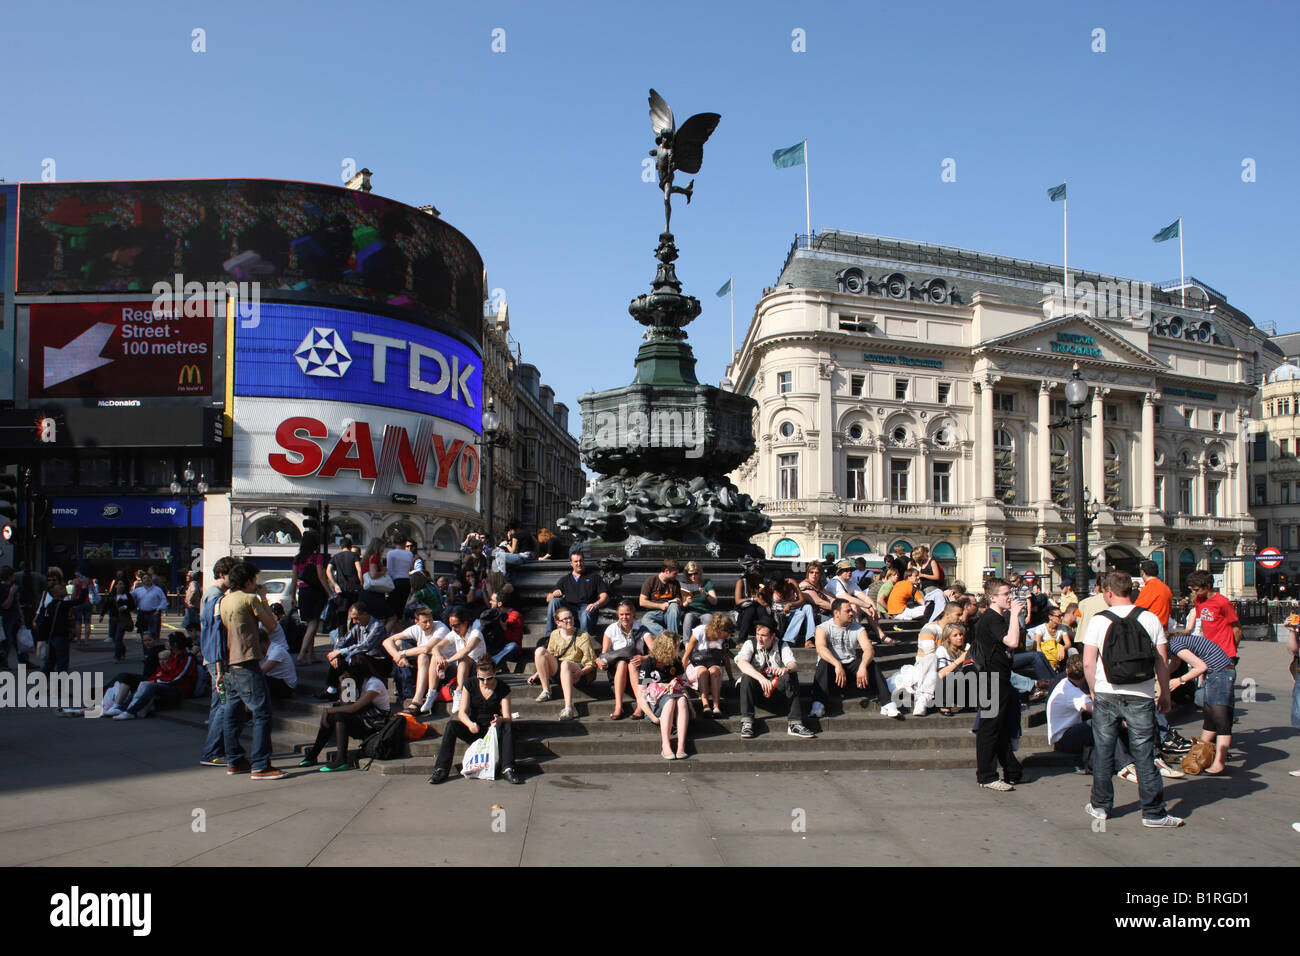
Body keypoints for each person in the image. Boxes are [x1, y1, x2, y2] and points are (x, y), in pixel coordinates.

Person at [1082, 572, 1183, 828]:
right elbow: (1161, 662)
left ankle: (1100, 806)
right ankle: (1153, 813)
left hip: (1107, 692)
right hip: (1141, 694)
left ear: (1108, 593)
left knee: (1104, 751)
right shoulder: (1149, 618)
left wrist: (1094, 690)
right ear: (1133, 592)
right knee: (1144, 753)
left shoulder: (1099, 621)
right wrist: (1165, 694)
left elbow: (1087, 662)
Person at [219, 562, 284, 780]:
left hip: (230, 661)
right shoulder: (250, 599)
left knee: (233, 712)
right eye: (255, 580)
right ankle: (260, 765)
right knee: (262, 712)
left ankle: (235, 760)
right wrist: (263, 598)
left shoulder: (225, 600)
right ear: (248, 581)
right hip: (247, 660)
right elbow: (272, 625)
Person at [428, 656, 523, 784]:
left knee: (508, 726)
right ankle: (441, 769)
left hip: (493, 731)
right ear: (477, 674)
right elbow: (462, 712)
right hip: (475, 728)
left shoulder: (503, 688)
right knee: (451, 725)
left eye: (489, 678)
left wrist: (499, 720)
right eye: (481, 678)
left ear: (495, 673)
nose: (485, 682)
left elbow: (507, 717)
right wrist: (469, 724)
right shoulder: (470, 684)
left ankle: (508, 768)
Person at [972, 578, 1025, 792]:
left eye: (1010, 592)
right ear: (992, 597)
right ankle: (986, 775)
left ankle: (1012, 771)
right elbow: (1012, 642)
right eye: (1005, 594)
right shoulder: (992, 618)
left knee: (1000, 726)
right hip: (991, 678)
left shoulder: (998, 617)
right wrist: (1014, 615)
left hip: (1000, 676)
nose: (1010, 597)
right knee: (990, 727)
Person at [810, 598, 899, 719]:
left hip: (851, 668)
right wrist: (837, 664)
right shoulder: (822, 628)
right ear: (836, 613)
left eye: (851, 610)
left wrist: (862, 666)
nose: (852, 613)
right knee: (823, 663)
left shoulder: (858, 629)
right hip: (832, 671)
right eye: (848, 611)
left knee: (871, 664)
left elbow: (869, 649)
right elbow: (820, 648)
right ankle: (818, 704)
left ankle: (887, 703)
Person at [299, 654, 389, 772]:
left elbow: (354, 707)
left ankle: (341, 760)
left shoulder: (374, 684)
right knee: (335, 715)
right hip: (364, 719)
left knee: (340, 716)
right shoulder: (356, 683)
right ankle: (313, 754)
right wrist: (343, 686)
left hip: (376, 724)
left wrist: (327, 711)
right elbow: (345, 705)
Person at [1168, 624, 1238, 775]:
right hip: (1218, 672)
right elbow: (1174, 664)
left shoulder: (1174, 645)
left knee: (1220, 717)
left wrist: (1179, 680)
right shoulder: (1177, 643)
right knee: (1209, 713)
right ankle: (1199, 754)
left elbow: (1200, 666)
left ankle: (1219, 761)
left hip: (1220, 673)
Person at [735, 620, 815, 739]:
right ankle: (747, 722)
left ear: (773, 636)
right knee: (747, 675)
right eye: (758, 634)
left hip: (776, 690)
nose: (759, 639)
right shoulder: (750, 643)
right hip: (755, 691)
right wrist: (761, 678)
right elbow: (741, 663)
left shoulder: (782, 644)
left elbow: (794, 665)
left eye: (764, 636)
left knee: (791, 674)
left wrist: (786, 669)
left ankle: (795, 724)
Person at [198, 557, 238, 768]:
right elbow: (215, 633)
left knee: (218, 705)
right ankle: (212, 751)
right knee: (223, 705)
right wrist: (220, 666)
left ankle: (214, 749)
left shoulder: (210, 595)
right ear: (223, 574)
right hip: (217, 659)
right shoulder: (216, 598)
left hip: (212, 658)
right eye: (233, 574)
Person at [109, 631, 199, 718]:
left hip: (182, 688)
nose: (166, 643)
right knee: (145, 683)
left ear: (174, 644)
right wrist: (154, 679)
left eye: (169, 641)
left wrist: (158, 681)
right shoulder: (174, 655)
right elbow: (164, 671)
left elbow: (178, 677)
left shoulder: (187, 657)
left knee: (152, 687)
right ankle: (122, 708)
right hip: (171, 684)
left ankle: (131, 711)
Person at [530, 607, 598, 719]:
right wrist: (537, 674)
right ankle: (546, 690)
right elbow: (549, 656)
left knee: (566, 664)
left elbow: (591, 663)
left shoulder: (583, 635)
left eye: (570, 617)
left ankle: (568, 708)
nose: (569, 620)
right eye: (565, 619)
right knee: (540, 651)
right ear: (558, 623)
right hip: (560, 670)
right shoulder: (554, 634)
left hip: (579, 672)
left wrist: (580, 673)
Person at [383, 607, 450, 712]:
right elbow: (387, 641)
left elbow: (427, 648)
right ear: (417, 622)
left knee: (422, 655)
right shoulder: (416, 629)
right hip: (425, 663)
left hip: (444, 664)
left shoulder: (441, 628)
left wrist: (402, 654)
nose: (429, 624)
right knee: (398, 642)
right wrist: (397, 657)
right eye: (425, 622)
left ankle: (417, 700)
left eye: (430, 620)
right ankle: (409, 692)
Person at [638, 631, 692, 760]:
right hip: (655, 703)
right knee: (671, 701)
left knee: (681, 701)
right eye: (677, 646)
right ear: (669, 647)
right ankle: (666, 744)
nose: (679, 648)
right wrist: (653, 718)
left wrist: (690, 705)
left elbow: (680, 687)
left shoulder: (676, 663)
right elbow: (642, 693)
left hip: (674, 701)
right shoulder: (649, 663)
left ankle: (680, 745)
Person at [320, 603, 389, 700]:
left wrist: (341, 651)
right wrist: (336, 653)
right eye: (352, 618)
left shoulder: (378, 626)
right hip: (363, 658)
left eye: (356, 618)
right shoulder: (358, 626)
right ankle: (332, 690)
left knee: (355, 659)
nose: (354, 621)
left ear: (365, 614)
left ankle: (352, 696)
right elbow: (344, 640)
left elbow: (365, 646)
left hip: (379, 661)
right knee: (342, 657)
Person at [598, 599, 651, 720]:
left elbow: (655, 653)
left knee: (631, 664)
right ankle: (618, 706)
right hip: (617, 668)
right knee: (622, 663)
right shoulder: (611, 629)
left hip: (637, 666)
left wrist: (643, 658)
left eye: (627, 614)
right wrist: (601, 662)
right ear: (618, 615)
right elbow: (604, 653)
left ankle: (640, 705)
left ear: (633, 614)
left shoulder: (642, 629)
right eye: (621, 614)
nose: (624, 617)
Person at [544, 550, 608, 636]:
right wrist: (553, 595)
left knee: (586, 612)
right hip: (569, 609)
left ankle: (583, 641)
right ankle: (549, 636)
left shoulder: (594, 577)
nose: (579, 563)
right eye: (576, 561)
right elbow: (548, 599)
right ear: (571, 563)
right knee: (554, 601)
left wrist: (596, 604)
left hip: (586, 608)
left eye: (581, 560)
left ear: (584, 561)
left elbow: (605, 597)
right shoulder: (565, 579)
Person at [290, 532, 330, 664]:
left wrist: (292, 596)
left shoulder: (297, 558)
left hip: (303, 591)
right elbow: (321, 576)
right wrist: (329, 592)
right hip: (315, 592)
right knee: (314, 623)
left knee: (310, 624)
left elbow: (294, 579)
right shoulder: (317, 557)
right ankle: (302, 654)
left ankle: (311, 655)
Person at [1184, 569, 1240, 662]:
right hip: (1208, 648)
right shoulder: (1198, 600)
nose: (1194, 592)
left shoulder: (1223, 602)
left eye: (1196, 590)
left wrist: (1233, 649)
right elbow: (1202, 622)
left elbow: (1237, 628)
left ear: (1208, 586)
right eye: (1192, 589)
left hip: (1223, 651)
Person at [683, 614, 732, 716]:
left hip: (714, 663)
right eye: (728, 632)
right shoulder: (700, 632)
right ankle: (705, 705)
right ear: (719, 630)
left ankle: (716, 706)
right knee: (703, 671)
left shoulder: (722, 639)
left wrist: (731, 677)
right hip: (695, 664)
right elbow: (686, 656)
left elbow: (726, 657)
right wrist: (678, 678)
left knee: (714, 671)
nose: (729, 635)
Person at [36, 569, 74, 678]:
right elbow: (41, 609)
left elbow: (70, 610)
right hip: (50, 631)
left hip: (58, 630)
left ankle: (51, 687)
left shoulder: (63, 596)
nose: (51, 582)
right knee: (56, 661)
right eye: (49, 580)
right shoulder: (45, 594)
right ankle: (51, 687)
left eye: (54, 579)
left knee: (54, 661)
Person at [788, 562, 835, 648]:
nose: (814, 575)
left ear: (820, 575)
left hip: (818, 615)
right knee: (833, 621)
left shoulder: (818, 586)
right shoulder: (805, 586)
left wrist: (842, 604)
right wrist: (839, 609)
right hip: (805, 618)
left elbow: (830, 598)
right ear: (808, 573)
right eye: (811, 572)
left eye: (817, 573)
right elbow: (819, 602)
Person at [638, 558, 683, 636]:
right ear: (666, 571)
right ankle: (670, 637)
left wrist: (678, 600)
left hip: (671, 612)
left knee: (674, 606)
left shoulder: (675, 583)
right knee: (645, 620)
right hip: (655, 613)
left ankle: (672, 639)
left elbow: (680, 601)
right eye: (675, 573)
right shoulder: (651, 581)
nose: (676, 576)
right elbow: (642, 602)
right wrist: (660, 606)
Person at [131, 569, 168, 655]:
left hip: (153, 613)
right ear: (142, 580)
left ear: (151, 579)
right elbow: (129, 597)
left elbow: (164, 600)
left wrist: (159, 609)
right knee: (143, 635)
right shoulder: (138, 590)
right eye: (144, 578)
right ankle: (146, 654)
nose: (146, 580)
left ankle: (154, 653)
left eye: (148, 578)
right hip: (142, 614)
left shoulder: (157, 590)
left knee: (154, 634)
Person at [679, 561, 718, 636]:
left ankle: (708, 643)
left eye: (695, 573)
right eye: (690, 574)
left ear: (699, 573)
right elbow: (682, 605)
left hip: (704, 612)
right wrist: (687, 601)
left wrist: (705, 594)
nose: (693, 576)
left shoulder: (707, 583)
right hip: (690, 612)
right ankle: (686, 643)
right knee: (688, 617)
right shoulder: (685, 585)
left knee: (709, 619)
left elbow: (714, 601)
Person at [260, 629, 298, 699]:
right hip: (274, 680)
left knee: (256, 680)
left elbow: (261, 671)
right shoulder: (262, 652)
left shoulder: (277, 650)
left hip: (286, 687)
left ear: (262, 643)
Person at [1133, 561, 1173, 628]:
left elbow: (1136, 609)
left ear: (1143, 572)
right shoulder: (1165, 587)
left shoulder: (1150, 587)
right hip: (1163, 628)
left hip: (1151, 628)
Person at [327, 535, 364, 608]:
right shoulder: (354, 555)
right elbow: (359, 569)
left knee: (342, 613)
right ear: (351, 547)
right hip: (354, 587)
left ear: (341, 547)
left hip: (341, 588)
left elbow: (328, 570)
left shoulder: (335, 557)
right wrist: (361, 583)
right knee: (355, 610)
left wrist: (335, 584)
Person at [385, 538, 416, 620]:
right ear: (404, 543)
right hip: (406, 582)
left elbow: (390, 570)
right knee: (400, 609)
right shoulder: (409, 554)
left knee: (391, 609)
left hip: (396, 581)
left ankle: (392, 629)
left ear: (394, 542)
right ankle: (397, 627)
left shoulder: (391, 553)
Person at [0, 566, 21, 670]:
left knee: (13, 639)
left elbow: (16, 603)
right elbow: (5, 605)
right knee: (7, 641)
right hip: (6, 617)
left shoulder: (13, 586)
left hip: (14, 616)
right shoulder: (3, 588)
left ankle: (22, 659)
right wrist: (11, 593)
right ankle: (3, 662)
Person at [70, 567, 95, 646]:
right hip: (87, 602)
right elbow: (93, 591)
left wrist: (71, 602)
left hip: (78, 602)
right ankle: (86, 641)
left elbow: (74, 592)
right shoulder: (89, 580)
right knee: (87, 622)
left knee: (78, 622)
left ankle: (78, 640)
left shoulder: (75, 581)